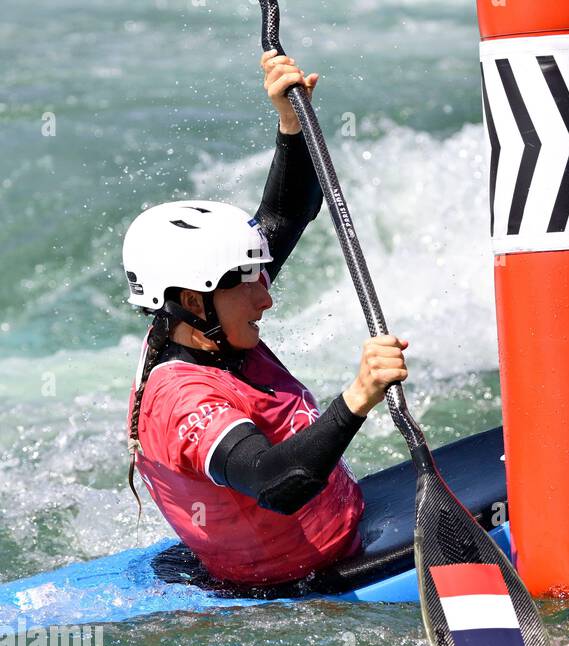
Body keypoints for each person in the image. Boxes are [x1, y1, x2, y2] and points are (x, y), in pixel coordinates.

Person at [125, 50, 410, 586]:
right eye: (248, 285)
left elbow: (287, 214)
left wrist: (291, 120)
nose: (267, 299)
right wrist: (359, 396)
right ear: (193, 300)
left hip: (338, 526)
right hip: (302, 577)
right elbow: (275, 483)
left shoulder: (203, 322)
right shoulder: (185, 401)